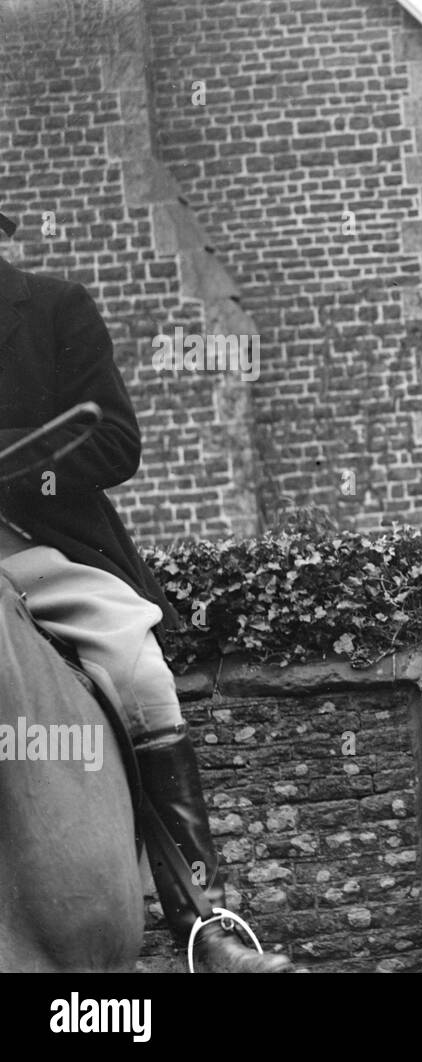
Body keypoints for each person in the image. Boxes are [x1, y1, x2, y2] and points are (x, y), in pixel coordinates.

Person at [0, 224, 290, 972]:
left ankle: (204, 918)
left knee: (139, 677)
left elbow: (114, 444)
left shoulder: (55, 308)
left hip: (37, 553)